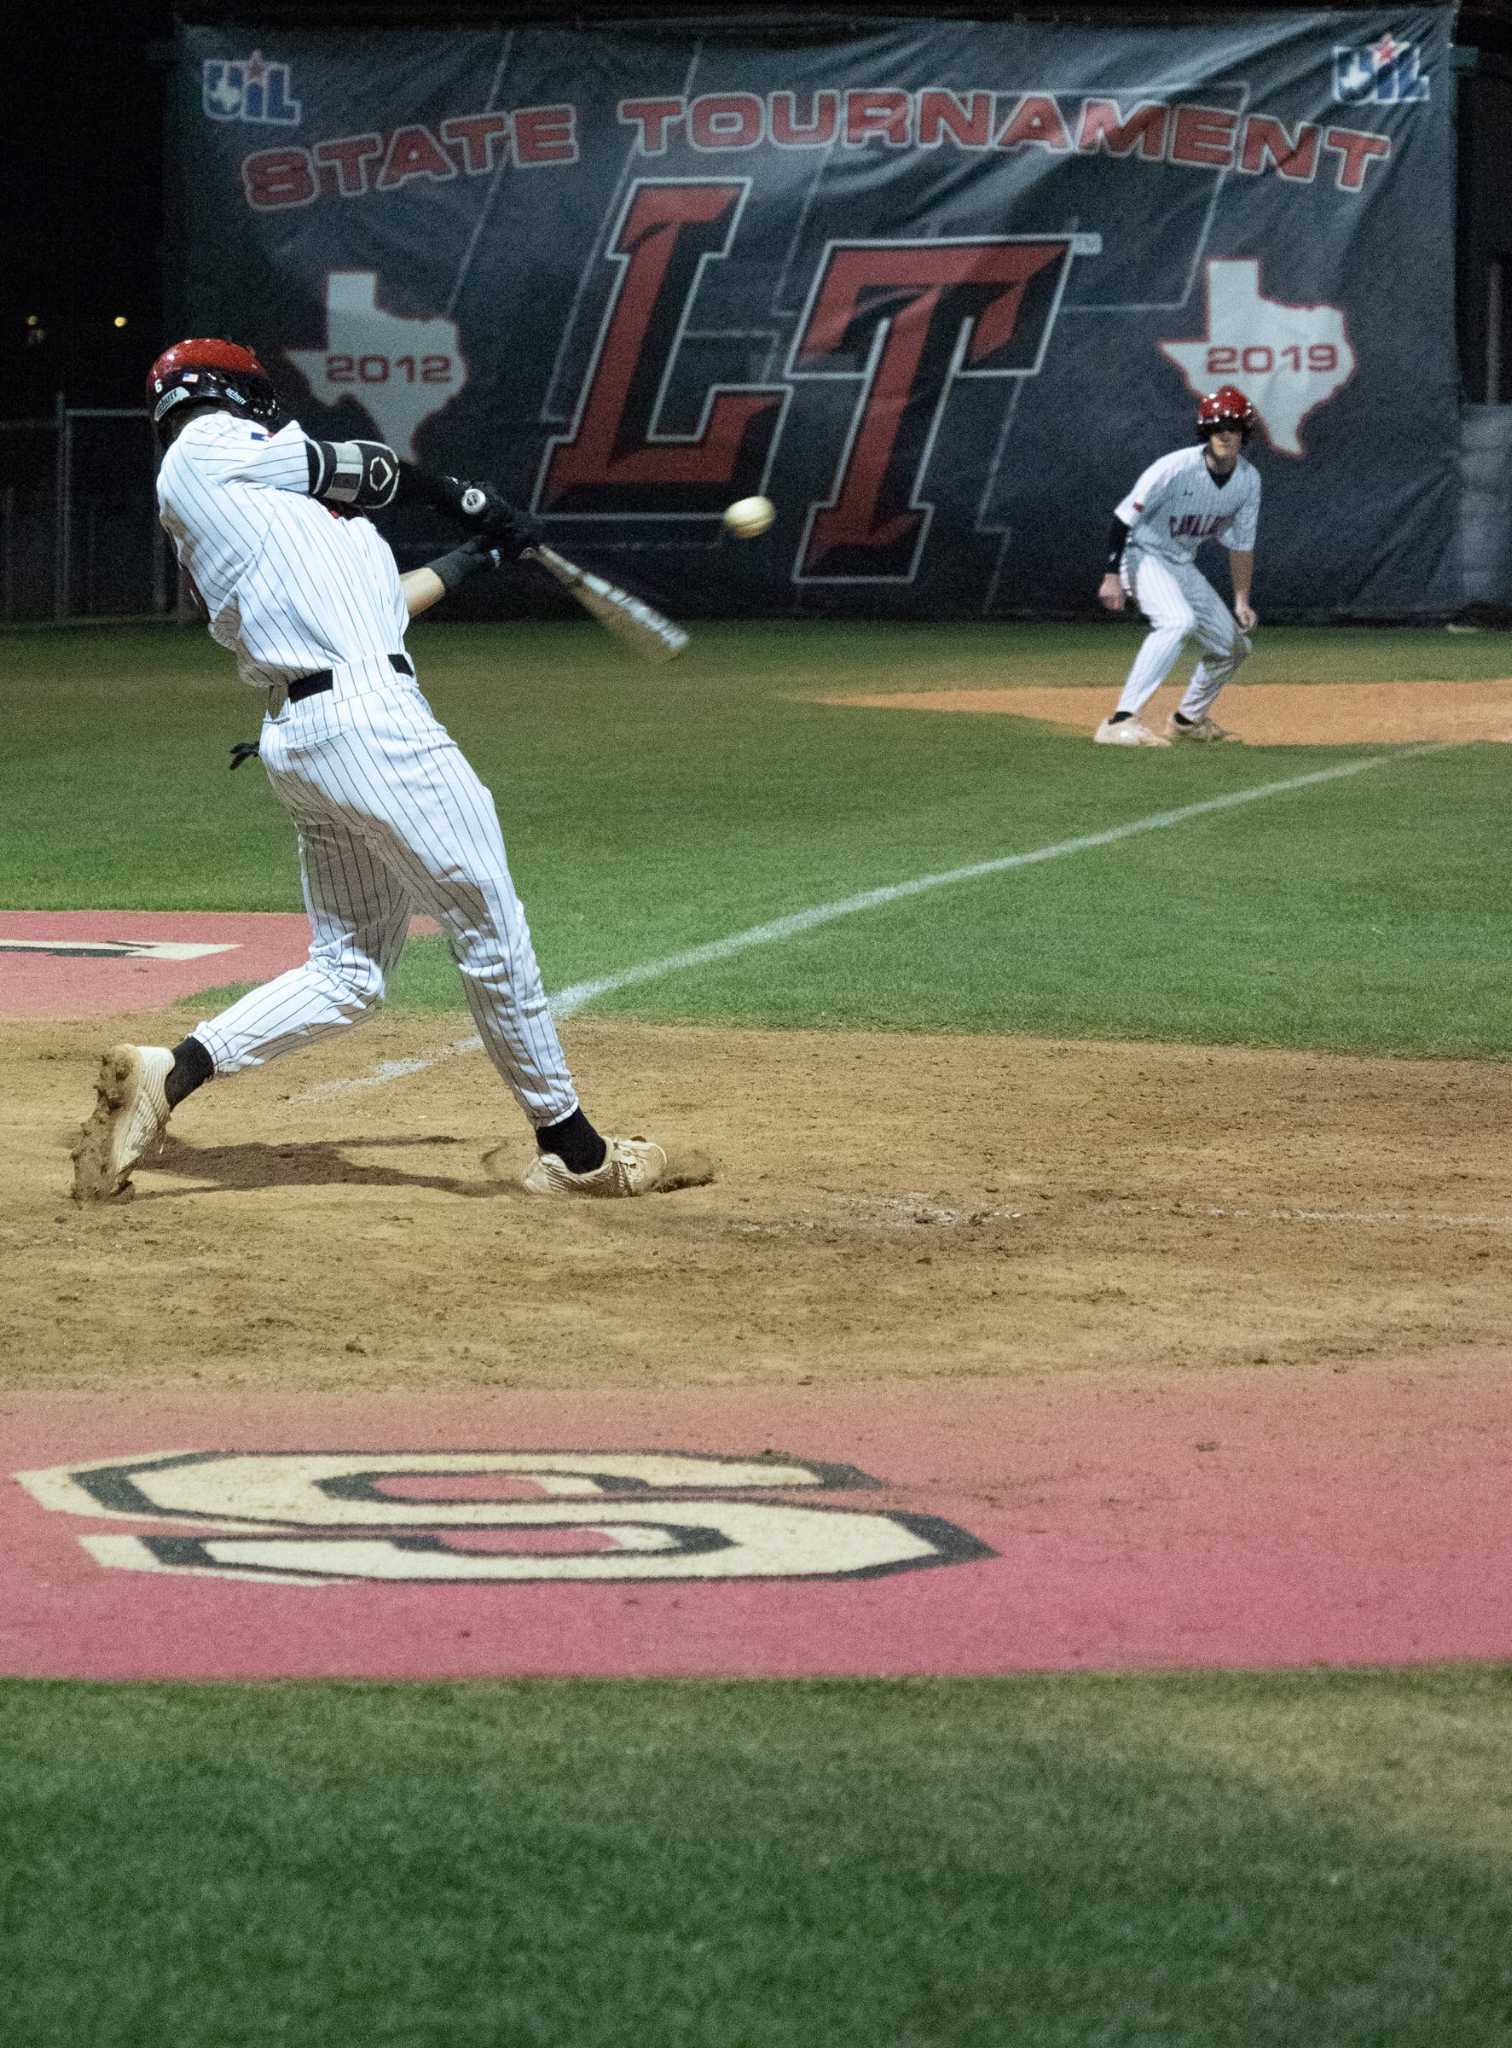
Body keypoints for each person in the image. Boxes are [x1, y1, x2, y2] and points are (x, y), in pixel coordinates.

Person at [71, 337, 713, 1203]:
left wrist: (484, 553)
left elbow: (382, 604)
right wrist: (464, 496)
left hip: (317, 733)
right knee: (487, 917)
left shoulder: (273, 510)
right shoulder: (204, 446)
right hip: (369, 726)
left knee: (350, 973)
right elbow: (369, 467)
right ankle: (574, 1149)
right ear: (230, 393)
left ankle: (171, 1073)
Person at [1093, 384, 1262, 746]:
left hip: (1181, 563)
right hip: (1143, 553)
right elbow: (1123, 518)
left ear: (1244, 434)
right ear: (1206, 431)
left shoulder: (1248, 480)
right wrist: (1111, 577)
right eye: (1217, 428)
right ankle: (1119, 721)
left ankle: (1188, 721)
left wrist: (1241, 601)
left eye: (1233, 428)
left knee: (1233, 647)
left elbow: (1243, 545)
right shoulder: (1174, 468)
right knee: (1176, 621)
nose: (1225, 435)